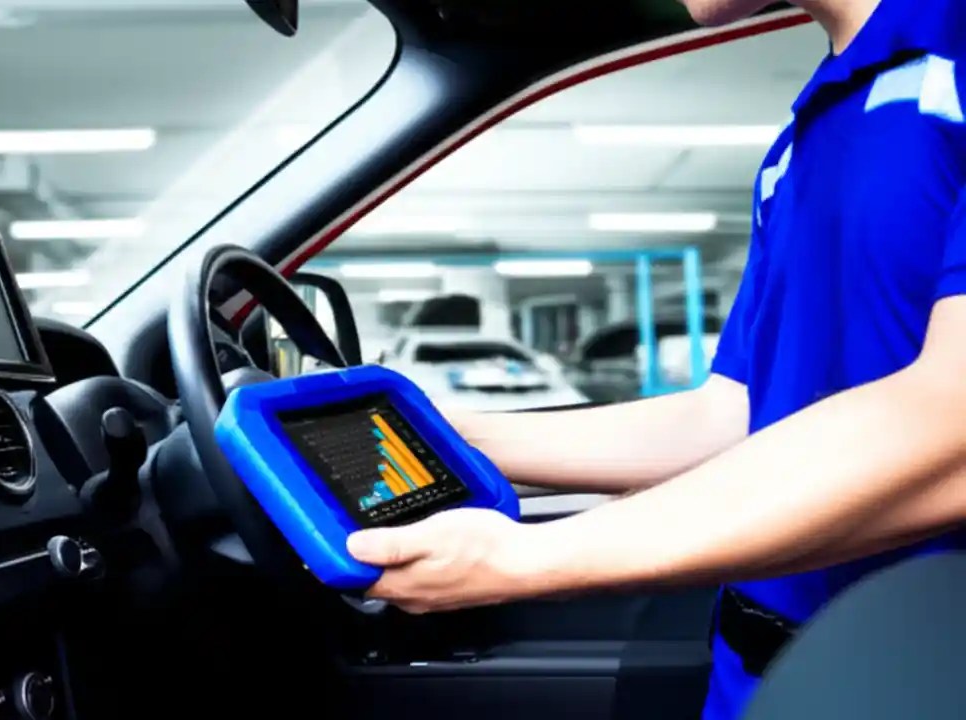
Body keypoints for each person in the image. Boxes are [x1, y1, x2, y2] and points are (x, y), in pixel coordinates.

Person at [344, 0, 966, 718]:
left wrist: (523, 559)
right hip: (771, 674)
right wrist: (431, 433)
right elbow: (733, 413)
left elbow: (951, 425)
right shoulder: (807, 132)